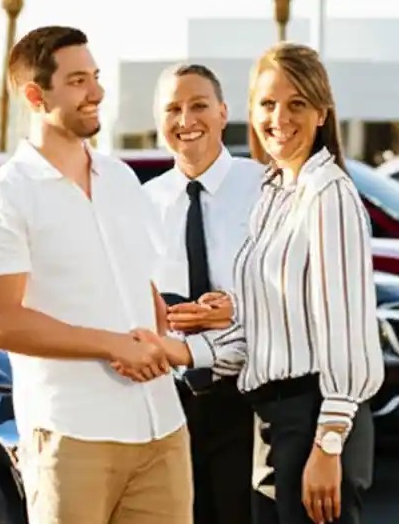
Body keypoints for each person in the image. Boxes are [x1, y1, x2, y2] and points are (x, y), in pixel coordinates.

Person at [143, 43, 385, 524]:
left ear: (321, 112)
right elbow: (263, 324)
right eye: (268, 104)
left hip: (313, 418)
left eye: (297, 104)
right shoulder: (279, 195)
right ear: (251, 112)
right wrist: (183, 353)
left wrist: (329, 445)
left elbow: (348, 334)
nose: (280, 117)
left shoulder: (327, 194)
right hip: (272, 420)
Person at [0, 25, 191, 524]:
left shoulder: (123, 179)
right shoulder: (2, 200)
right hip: (73, 437)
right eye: (78, 81)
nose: (97, 93)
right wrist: (112, 345)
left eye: (96, 77)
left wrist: (166, 333)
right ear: (34, 94)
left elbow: (141, 281)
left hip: (163, 430)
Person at [142, 63, 263, 524]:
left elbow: (292, 289)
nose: (185, 119)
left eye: (198, 105)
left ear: (222, 113)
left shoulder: (263, 188)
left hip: (247, 395)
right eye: (173, 108)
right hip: (172, 402)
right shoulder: (143, 202)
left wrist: (237, 308)